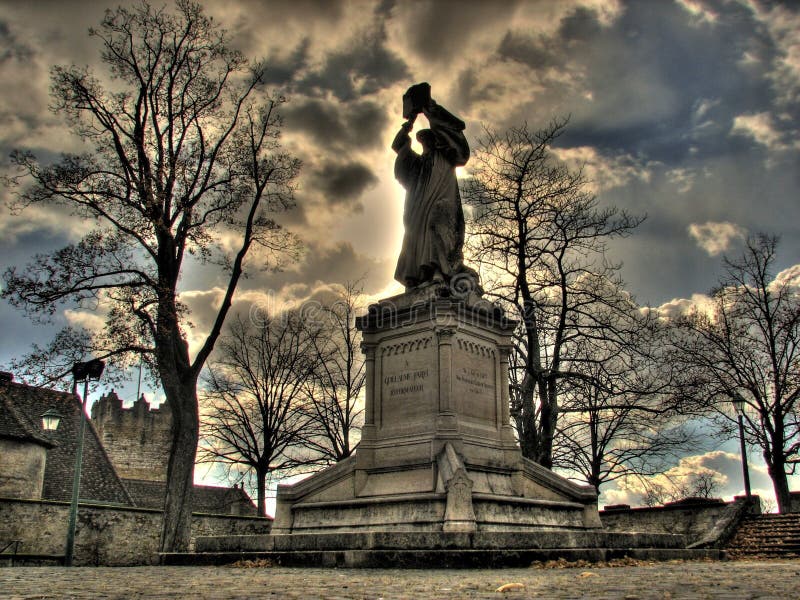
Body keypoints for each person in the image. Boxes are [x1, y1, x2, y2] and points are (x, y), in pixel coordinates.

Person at [392, 96, 475, 290]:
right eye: (423, 141)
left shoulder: (447, 154)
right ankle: (421, 275)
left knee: (436, 227)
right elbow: (399, 148)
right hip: (419, 207)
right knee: (416, 235)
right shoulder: (418, 163)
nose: (426, 143)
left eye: (430, 139)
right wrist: (408, 124)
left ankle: (440, 270)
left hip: (443, 201)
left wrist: (430, 109)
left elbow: (457, 142)